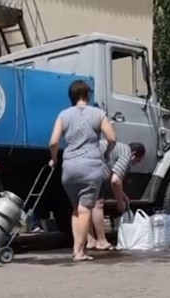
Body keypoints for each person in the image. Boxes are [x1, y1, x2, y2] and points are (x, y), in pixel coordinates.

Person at [49, 79, 117, 262]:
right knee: (85, 208)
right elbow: (112, 138)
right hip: (91, 167)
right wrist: (106, 153)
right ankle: (79, 252)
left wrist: (54, 160)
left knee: (76, 209)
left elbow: (53, 142)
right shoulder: (98, 113)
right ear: (87, 95)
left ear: (71, 97)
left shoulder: (63, 115)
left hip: (69, 167)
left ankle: (75, 248)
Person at [87, 140, 145, 250]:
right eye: (137, 160)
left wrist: (123, 195)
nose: (136, 164)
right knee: (97, 204)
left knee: (85, 205)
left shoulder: (118, 148)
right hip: (95, 170)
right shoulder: (126, 154)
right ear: (133, 154)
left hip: (80, 165)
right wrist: (120, 203)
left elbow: (113, 181)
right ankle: (101, 241)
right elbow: (115, 181)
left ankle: (90, 240)